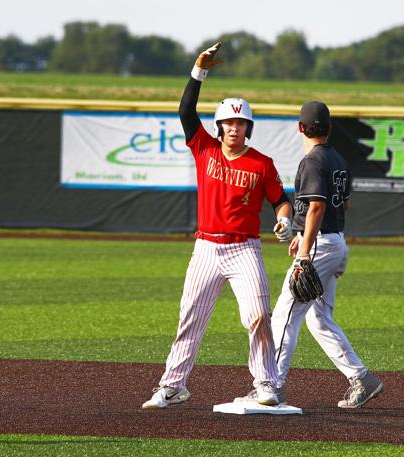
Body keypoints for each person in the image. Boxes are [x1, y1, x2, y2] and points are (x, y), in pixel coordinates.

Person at [142, 42, 293, 410]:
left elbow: (280, 200)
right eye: (228, 122)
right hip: (206, 247)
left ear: (248, 127)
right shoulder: (204, 148)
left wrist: (285, 220)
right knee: (190, 318)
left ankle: (266, 385)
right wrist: (198, 71)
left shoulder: (261, 163)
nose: (233, 128)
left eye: (240, 122)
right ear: (219, 125)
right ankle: (173, 386)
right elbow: (184, 112)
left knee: (258, 316)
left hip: (244, 248)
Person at [239, 101, 384, 409]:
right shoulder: (339, 160)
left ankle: (271, 386)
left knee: (284, 316)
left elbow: (317, 206)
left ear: (300, 128)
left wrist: (305, 250)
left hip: (318, 247)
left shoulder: (311, 161)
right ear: (329, 129)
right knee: (318, 319)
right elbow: (341, 206)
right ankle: (362, 379)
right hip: (335, 242)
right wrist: (305, 233)